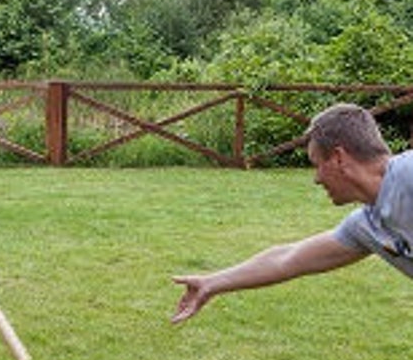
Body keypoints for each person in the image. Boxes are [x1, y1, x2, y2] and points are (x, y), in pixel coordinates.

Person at [171, 102, 411, 323]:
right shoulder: (367, 226)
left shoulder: (407, 172)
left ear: (338, 158)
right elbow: (287, 258)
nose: (316, 179)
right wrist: (212, 283)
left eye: (317, 165)